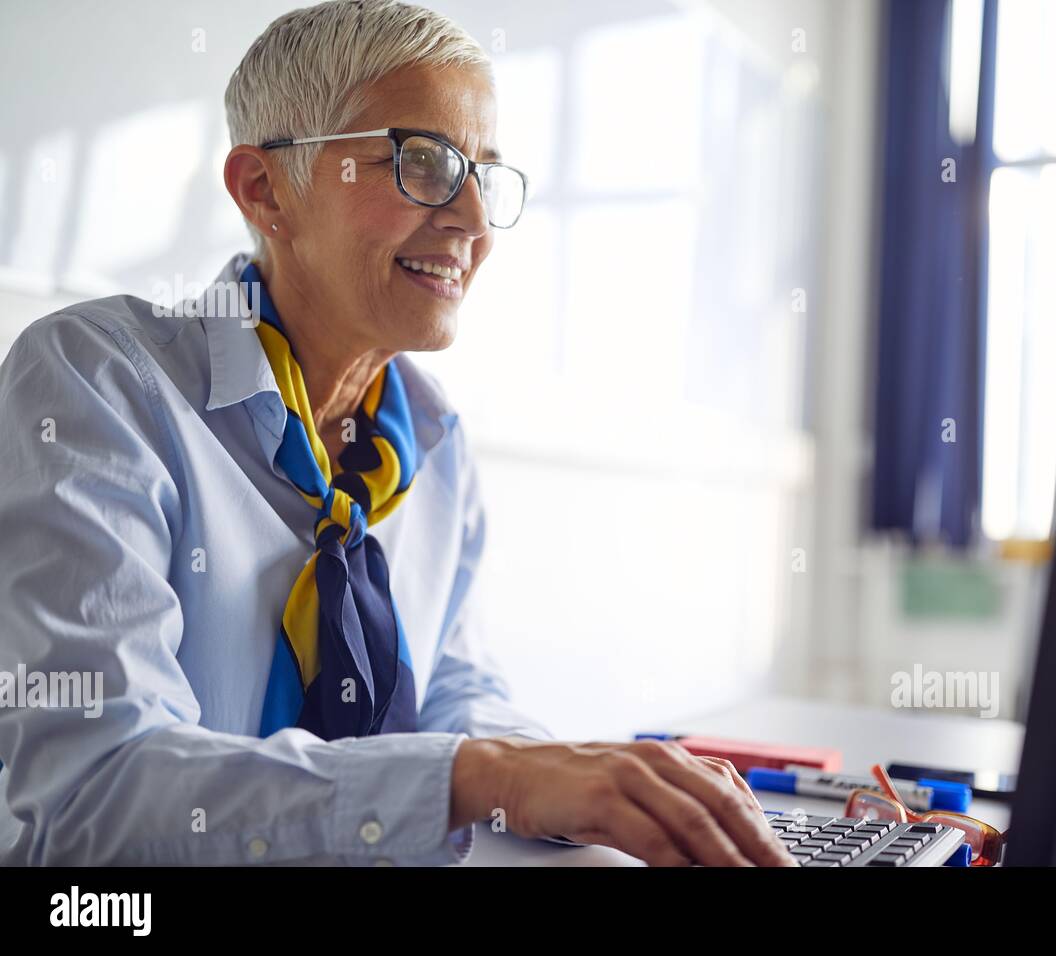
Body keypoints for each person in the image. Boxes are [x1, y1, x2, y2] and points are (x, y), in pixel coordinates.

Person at [0, 0, 793, 867]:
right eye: (421, 162)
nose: (474, 225)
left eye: (484, 176)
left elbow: (460, 697)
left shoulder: (431, 436)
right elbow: (90, 800)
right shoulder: (97, 381)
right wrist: (479, 778)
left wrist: (585, 784)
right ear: (265, 190)